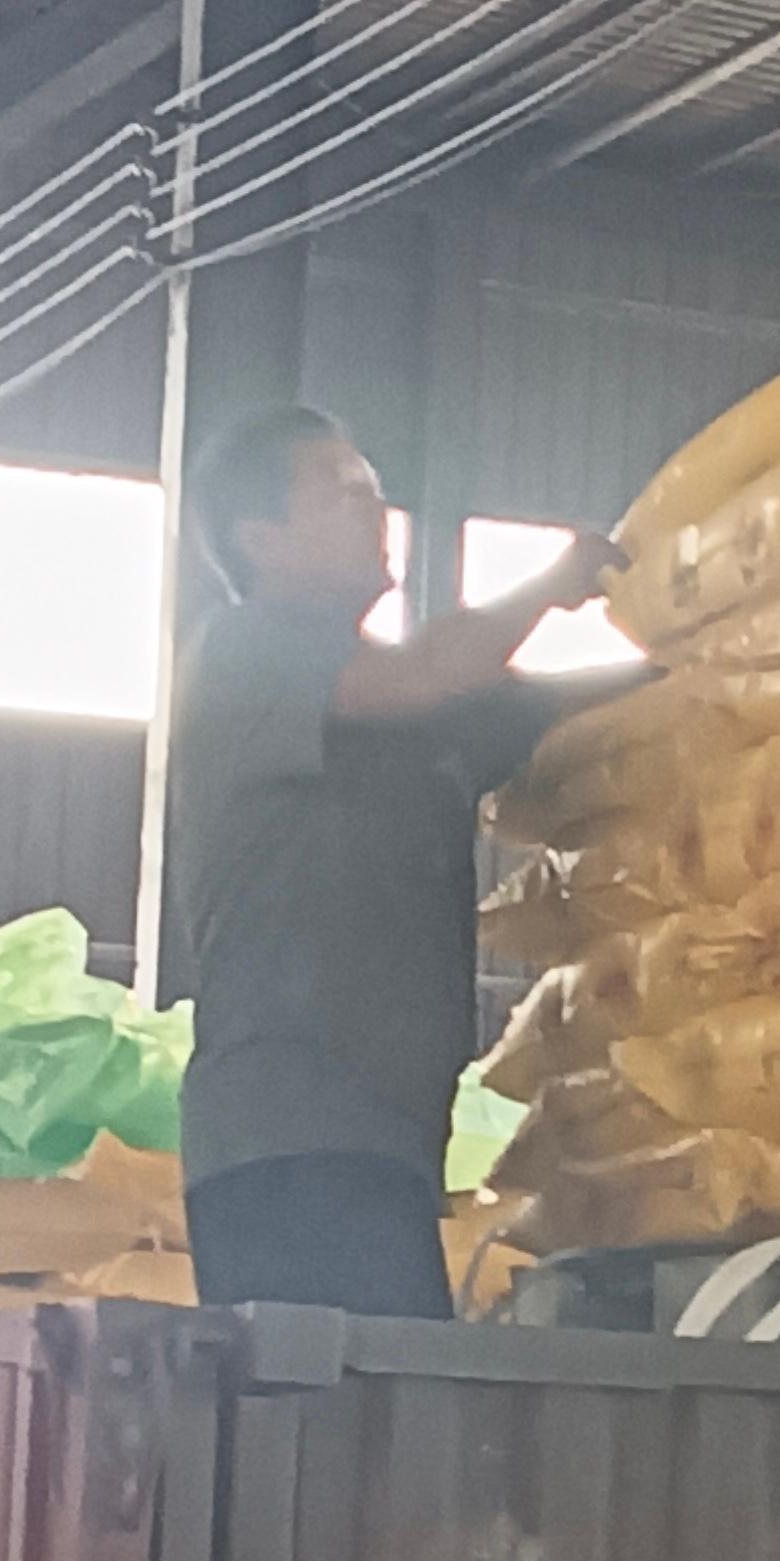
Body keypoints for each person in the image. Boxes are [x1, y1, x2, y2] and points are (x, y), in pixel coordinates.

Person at [169, 407, 614, 1317]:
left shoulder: (411, 700)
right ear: (259, 537)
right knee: (354, 1393)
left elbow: (568, 716)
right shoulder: (244, 647)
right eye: (342, 493)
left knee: (377, 1391)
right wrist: (553, 584)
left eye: (375, 493)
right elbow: (423, 677)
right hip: (290, 1134)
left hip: (384, 1140)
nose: (377, 514)